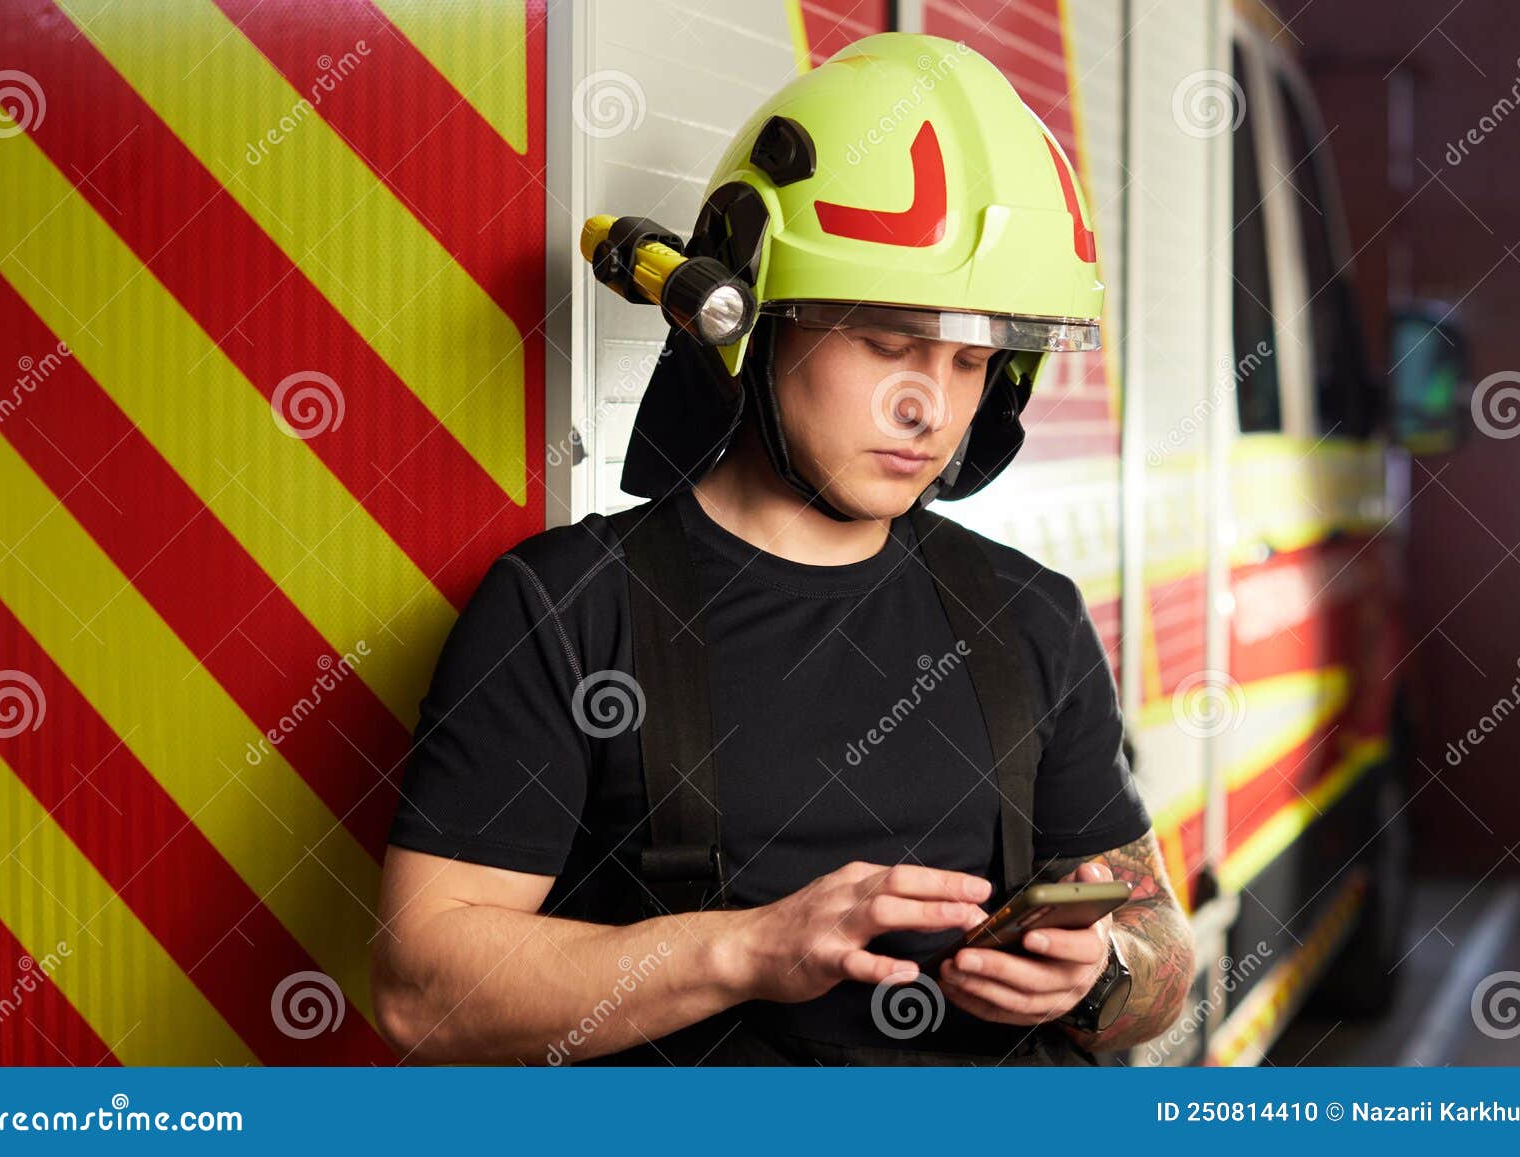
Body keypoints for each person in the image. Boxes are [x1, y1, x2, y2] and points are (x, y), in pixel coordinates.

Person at [372, 30, 1193, 1066]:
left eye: (971, 359)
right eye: (886, 342)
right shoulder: (568, 609)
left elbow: (1161, 953)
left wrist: (1103, 970)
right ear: (751, 324)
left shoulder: (1027, 612)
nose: (927, 405)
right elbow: (420, 989)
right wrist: (748, 949)